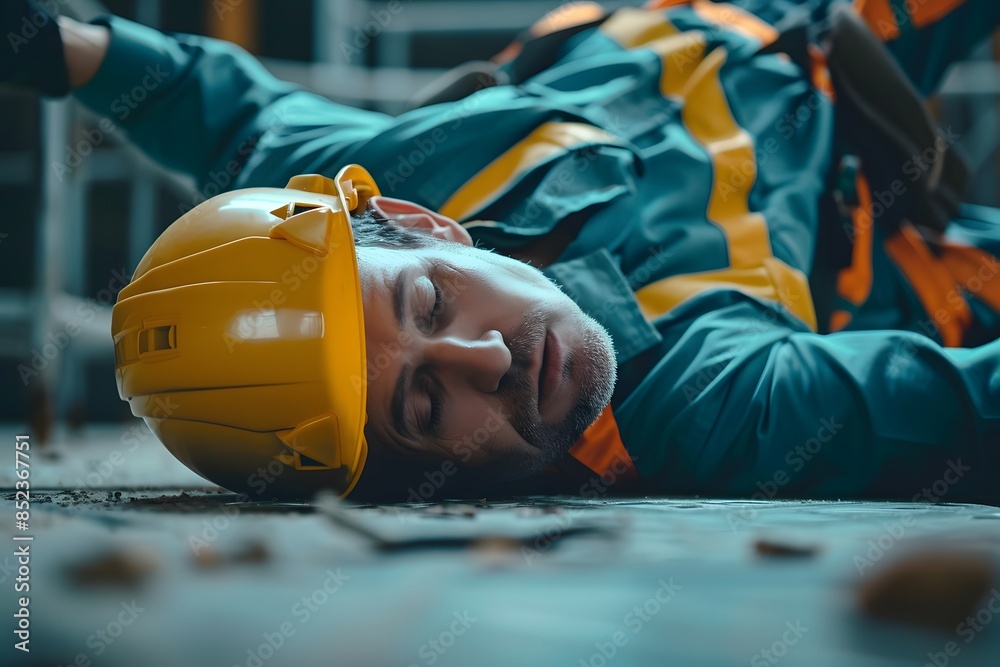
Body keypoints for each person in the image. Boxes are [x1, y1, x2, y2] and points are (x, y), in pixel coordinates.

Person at [5, 0, 1000, 502]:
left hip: (753, 21)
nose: (492, 362)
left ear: (421, 221)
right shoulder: (705, 408)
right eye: (425, 406)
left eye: (430, 305)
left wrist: (41, 40)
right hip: (888, 221)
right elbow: (968, 404)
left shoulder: (365, 173)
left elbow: (212, 105)